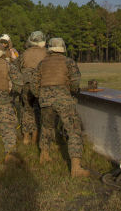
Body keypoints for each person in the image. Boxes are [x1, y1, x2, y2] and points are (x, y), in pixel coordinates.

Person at [31, 37, 90, 178]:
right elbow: (75, 82)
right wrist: (71, 92)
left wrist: (42, 96)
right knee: (73, 129)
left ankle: (44, 155)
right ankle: (76, 168)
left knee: (46, 127)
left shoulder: (42, 63)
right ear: (63, 48)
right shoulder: (69, 62)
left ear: (50, 48)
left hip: (45, 100)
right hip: (64, 99)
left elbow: (34, 85)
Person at [18, 30, 47, 146]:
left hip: (26, 84)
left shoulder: (24, 53)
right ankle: (35, 136)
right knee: (38, 110)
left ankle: (26, 137)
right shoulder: (46, 53)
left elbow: (17, 68)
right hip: (40, 85)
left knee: (27, 109)